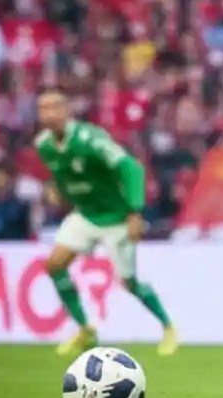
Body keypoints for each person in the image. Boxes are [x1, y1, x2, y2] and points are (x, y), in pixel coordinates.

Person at [35, 90, 178, 358]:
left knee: (129, 282)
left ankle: (168, 327)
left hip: (117, 217)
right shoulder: (44, 144)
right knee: (54, 264)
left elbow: (131, 168)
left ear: (67, 111)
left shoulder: (90, 139)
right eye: (43, 109)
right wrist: (56, 190)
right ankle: (85, 329)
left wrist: (135, 212)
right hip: (86, 215)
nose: (49, 114)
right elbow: (63, 175)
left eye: (54, 107)